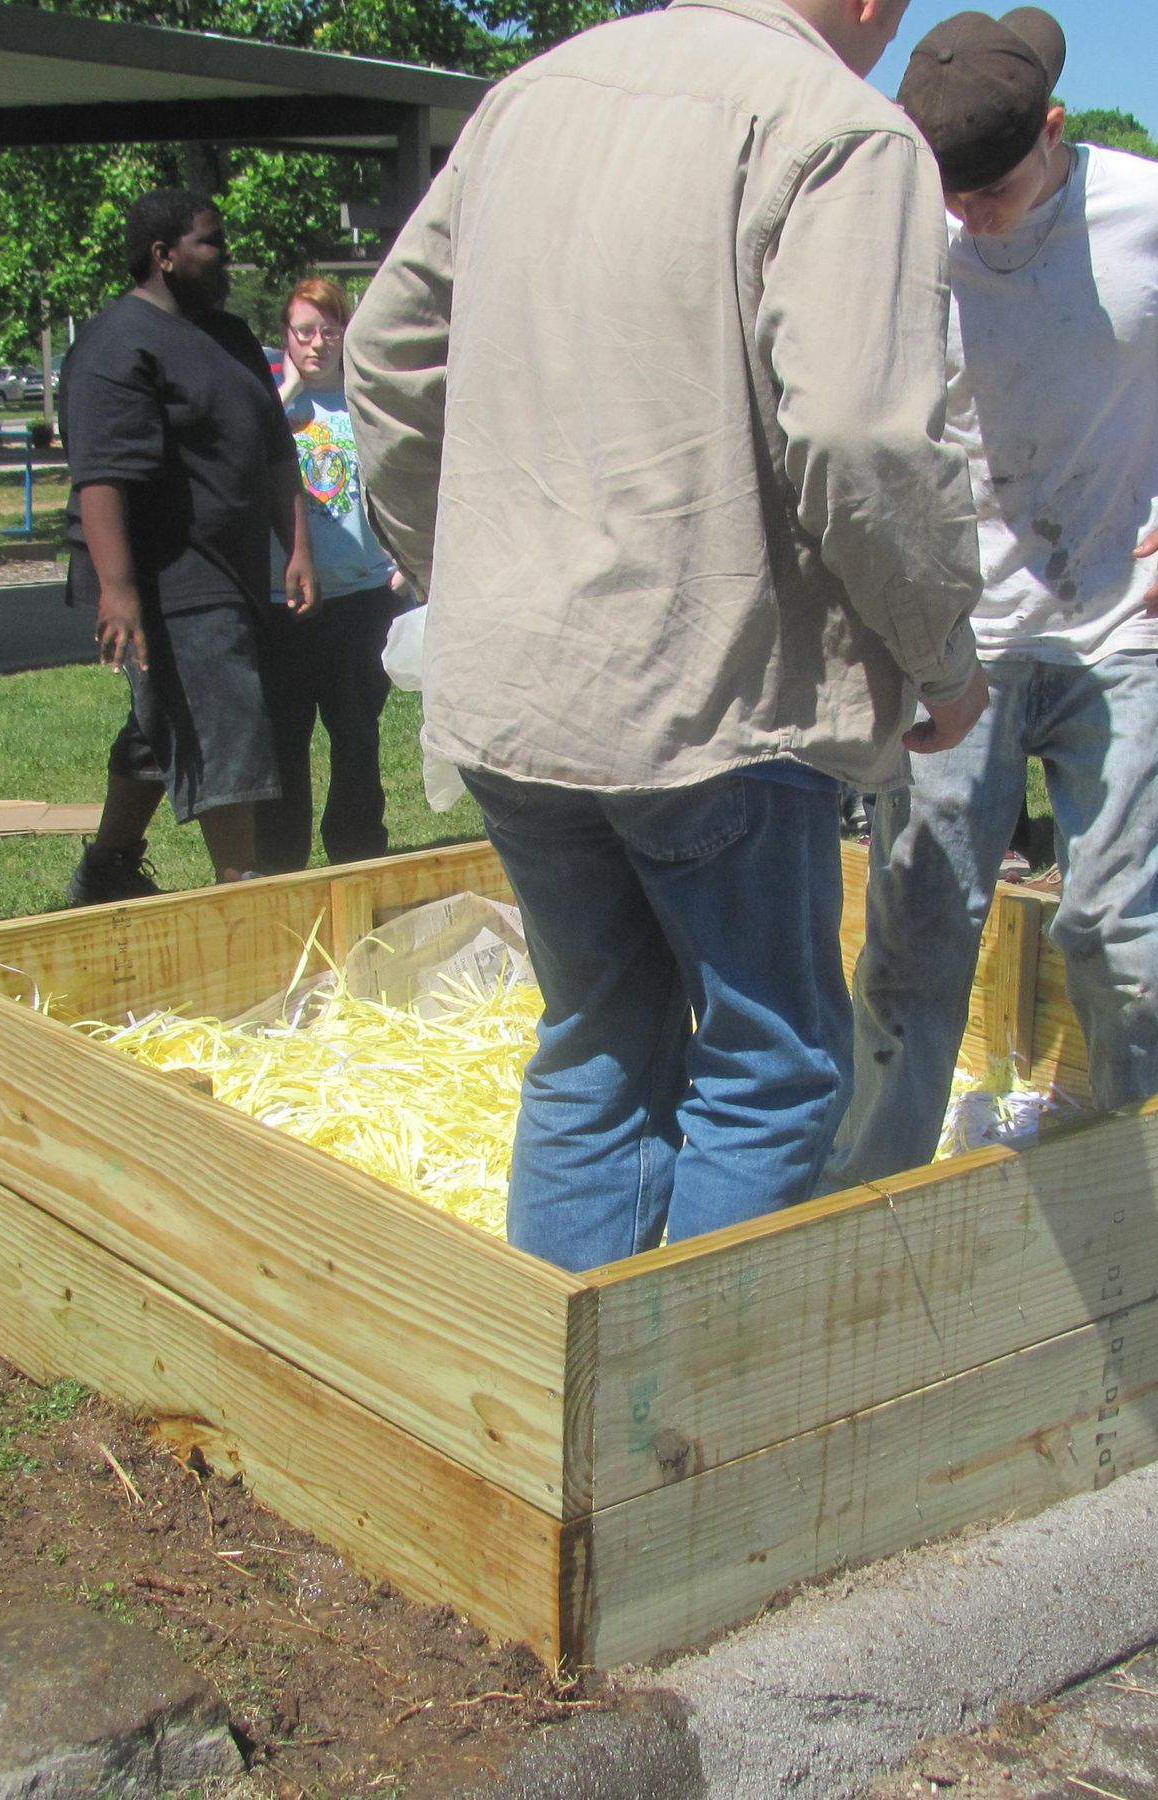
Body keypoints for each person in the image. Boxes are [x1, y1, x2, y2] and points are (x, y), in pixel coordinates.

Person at [347, 0, 990, 1274]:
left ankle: (567, 1429)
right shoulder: (843, 129)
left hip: (521, 695)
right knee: (769, 1070)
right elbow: (862, 432)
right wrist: (941, 651)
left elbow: (385, 354)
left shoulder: (530, 98)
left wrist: (460, 571)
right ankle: (685, 1442)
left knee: (595, 1045)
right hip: (715, 697)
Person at [827, 8, 1158, 1186]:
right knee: (920, 939)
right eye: (949, 190)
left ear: (1056, 129)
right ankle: (874, 1197)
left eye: (991, 188)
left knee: (1123, 930)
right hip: (952, 636)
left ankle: (1143, 1179)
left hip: (1121, 619)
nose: (967, 216)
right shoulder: (898, 222)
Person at [61, 189, 315, 907]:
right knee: (226, 720)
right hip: (166, 571)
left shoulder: (229, 336)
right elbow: (102, 476)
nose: (224, 254)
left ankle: (106, 869)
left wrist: (296, 547)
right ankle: (240, 896)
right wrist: (119, 589)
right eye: (210, 241)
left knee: (163, 720)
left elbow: (273, 451)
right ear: (163, 255)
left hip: (230, 563)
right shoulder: (116, 345)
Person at [256, 276, 409, 874]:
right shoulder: (270, 402)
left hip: (361, 600)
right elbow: (244, 449)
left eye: (329, 330)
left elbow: (398, 472)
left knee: (356, 737)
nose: (317, 343)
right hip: (283, 605)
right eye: (303, 332)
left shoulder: (362, 399)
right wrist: (288, 389)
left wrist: (399, 559)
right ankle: (281, 865)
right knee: (283, 744)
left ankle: (357, 855)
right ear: (285, 337)